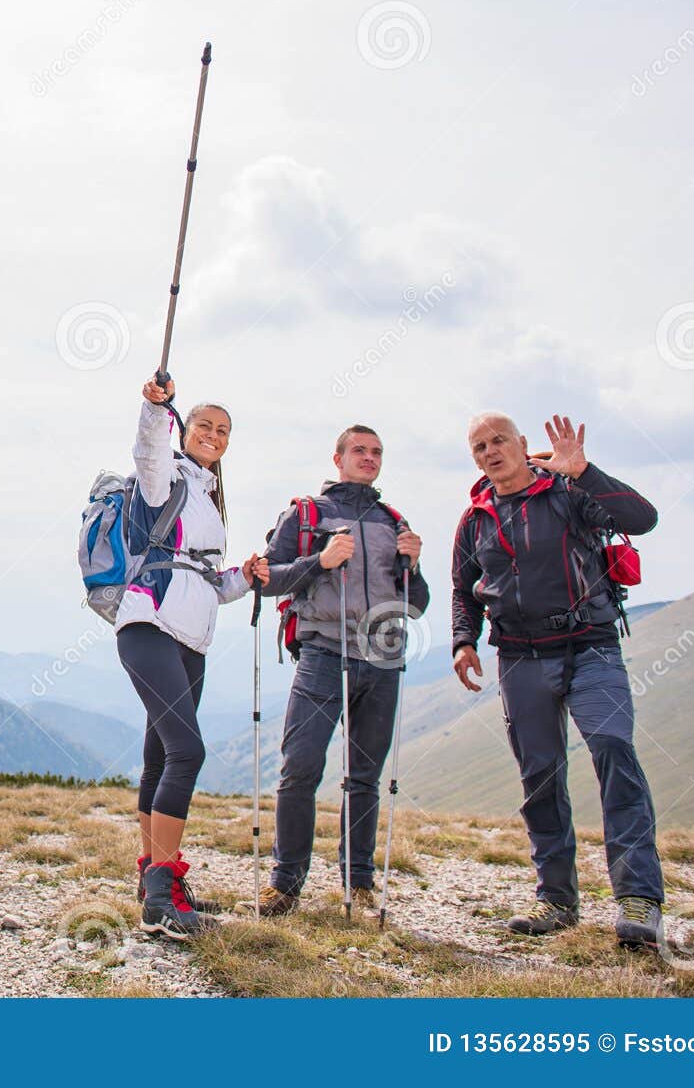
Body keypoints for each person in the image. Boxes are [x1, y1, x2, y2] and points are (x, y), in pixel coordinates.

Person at [452, 412, 664, 946]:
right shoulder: (475, 519)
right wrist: (462, 640)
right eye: (480, 446)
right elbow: (464, 588)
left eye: (499, 440)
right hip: (520, 658)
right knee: (539, 777)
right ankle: (556, 900)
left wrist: (586, 471)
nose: (491, 451)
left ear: (523, 445)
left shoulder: (570, 492)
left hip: (590, 646)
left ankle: (638, 900)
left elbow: (643, 518)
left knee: (614, 750)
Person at [252, 425, 428, 917]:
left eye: (376, 452)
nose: (369, 458)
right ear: (338, 458)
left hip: (382, 658)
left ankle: (360, 882)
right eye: (359, 451)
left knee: (365, 776)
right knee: (301, 767)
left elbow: (418, 602)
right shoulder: (308, 514)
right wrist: (321, 560)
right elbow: (267, 580)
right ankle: (285, 883)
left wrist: (412, 563)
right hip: (324, 654)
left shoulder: (394, 521)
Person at [118, 374, 266, 940]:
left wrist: (244, 579)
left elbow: (204, 583)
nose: (214, 434)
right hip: (149, 625)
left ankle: (152, 881)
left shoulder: (205, 494)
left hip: (190, 638)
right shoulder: (166, 476)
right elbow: (148, 449)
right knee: (188, 750)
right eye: (204, 424)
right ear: (186, 430)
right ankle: (163, 890)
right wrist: (156, 409)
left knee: (160, 759)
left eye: (223, 430)